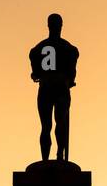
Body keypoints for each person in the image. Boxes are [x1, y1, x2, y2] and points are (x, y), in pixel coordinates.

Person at [29, 13, 79, 161]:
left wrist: (36, 74)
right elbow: (72, 70)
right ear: (60, 26)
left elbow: (34, 70)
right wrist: (70, 80)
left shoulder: (38, 48)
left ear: (48, 26)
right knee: (60, 122)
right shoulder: (69, 48)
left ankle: (45, 158)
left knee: (46, 126)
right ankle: (59, 155)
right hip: (61, 88)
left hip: (45, 87)